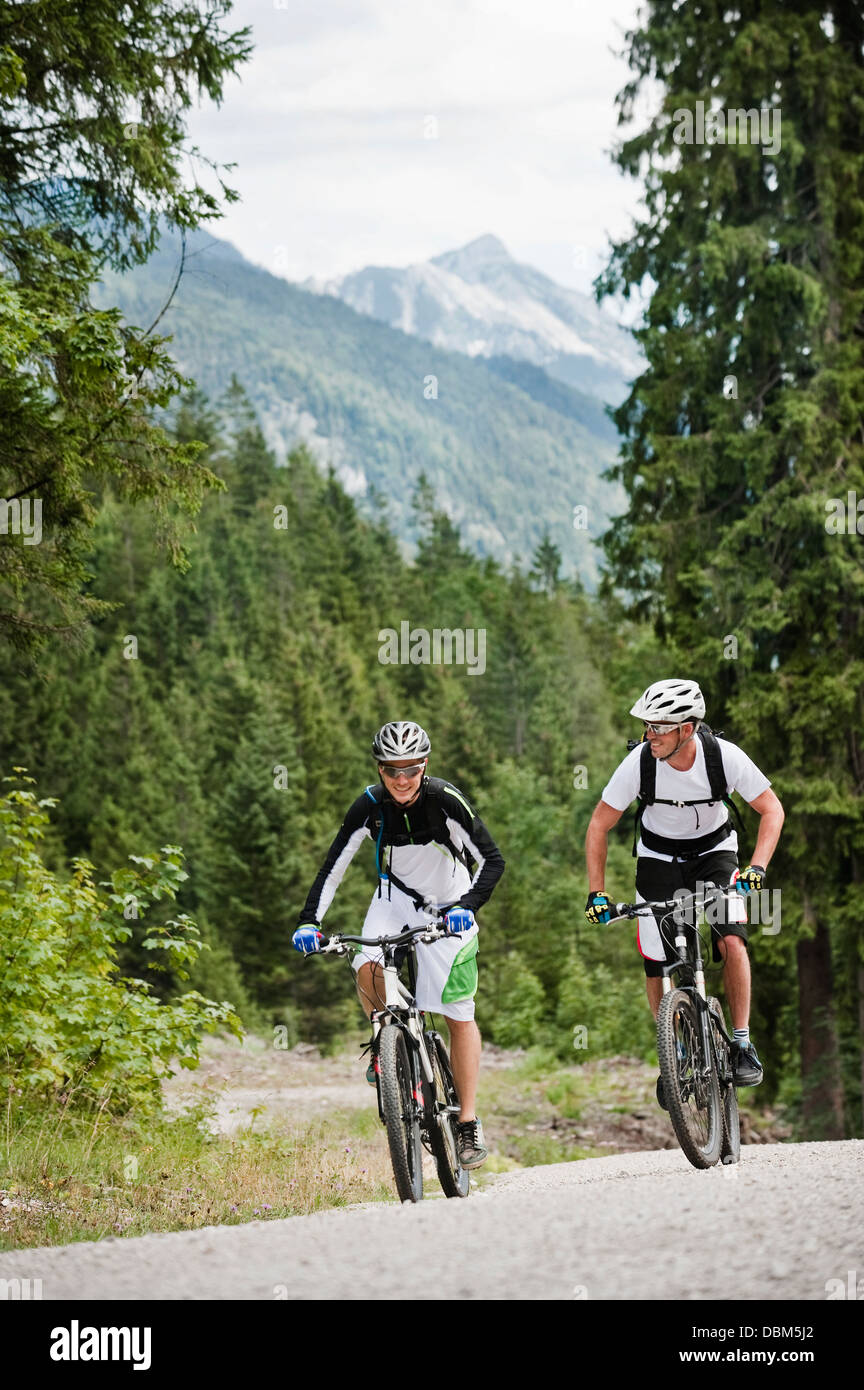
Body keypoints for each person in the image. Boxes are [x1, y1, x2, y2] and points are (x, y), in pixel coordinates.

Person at [292, 719, 505, 1168]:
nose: (402, 779)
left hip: (450, 905)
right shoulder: (369, 807)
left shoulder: (445, 801)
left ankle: (467, 1123)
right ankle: (384, 1042)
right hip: (394, 901)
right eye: (392, 770)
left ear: (425, 766)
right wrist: (310, 921)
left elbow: (492, 860)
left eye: (411, 769)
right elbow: (333, 867)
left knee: (457, 1013)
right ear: (380, 771)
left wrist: (468, 904)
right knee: (364, 960)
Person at [584, 679, 784, 1107]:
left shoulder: (723, 757)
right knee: (656, 963)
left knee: (731, 936)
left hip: (714, 853)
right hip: (657, 858)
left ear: (688, 729)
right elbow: (599, 825)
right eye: (647, 726)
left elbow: (772, 809)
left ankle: (743, 1043)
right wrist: (596, 894)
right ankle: (672, 1056)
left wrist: (757, 867)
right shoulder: (639, 763)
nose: (648, 735)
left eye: (659, 727)